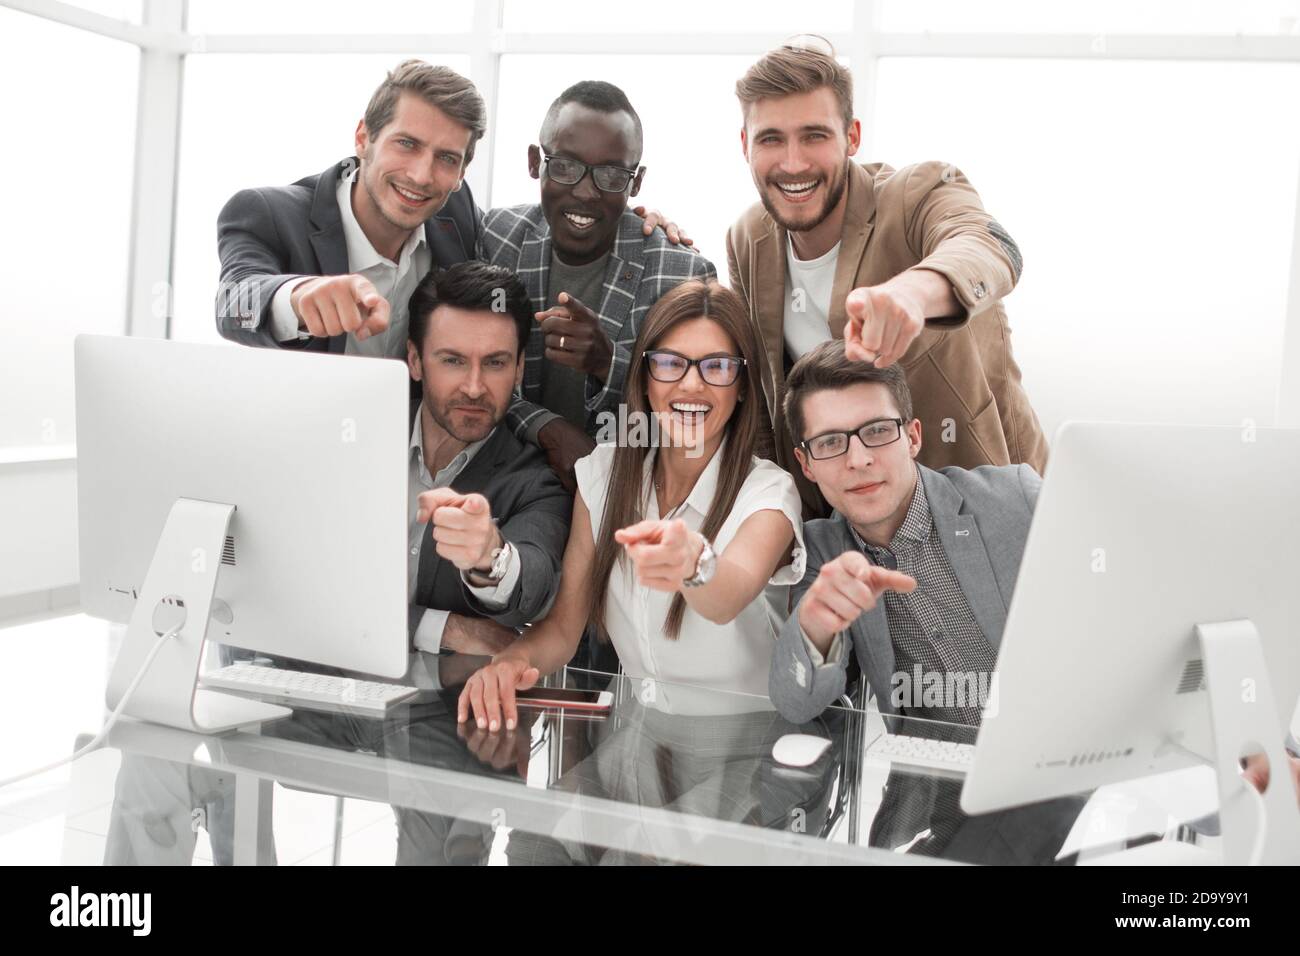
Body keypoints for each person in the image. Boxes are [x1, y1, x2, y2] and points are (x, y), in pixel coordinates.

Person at [215, 60, 684, 487]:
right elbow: (233, 301)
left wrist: (632, 217)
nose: (421, 175)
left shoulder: (458, 221)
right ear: (363, 137)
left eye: (446, 158)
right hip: (287, 467)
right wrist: (295, 297)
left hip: (410, 478)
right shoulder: (269, 214)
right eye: (407, 144)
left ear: (462, 172)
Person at [457, 279, 804, 731]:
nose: (691, 385)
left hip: (750, 746)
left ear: (741, 386)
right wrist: (510, 662)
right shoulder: (602, 474)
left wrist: (694, 563)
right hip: (642, 733)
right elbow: (564, 629)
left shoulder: (768, 492)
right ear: (644, 376)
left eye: (717, 367)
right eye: (670, 364)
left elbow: (726, 599)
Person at [726, 40, 1047, 516]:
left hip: (982, 507)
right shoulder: (748, 236)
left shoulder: (916, 193)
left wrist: (912, 294)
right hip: (846, 530)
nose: (793, 163)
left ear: (851, 137)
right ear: (745, 145)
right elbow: (764, 405)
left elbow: (989, 246)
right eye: (771, 139)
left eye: (814, 135)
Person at [479, 80, 717, 445]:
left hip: (625, 487)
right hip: (503, 483)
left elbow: (692, 419)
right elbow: (467, 374)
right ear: (533, 162)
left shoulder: (682, 275)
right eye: (565, 165)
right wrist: (545, 428)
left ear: (635, 182)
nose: (586, 191)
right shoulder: (497, 237)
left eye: (610, 175)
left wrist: (609, 364)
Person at [404, 260, 572, 660]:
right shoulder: (357, 437)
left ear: (518, 370)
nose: (475, 387)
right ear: (414, 360)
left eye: (495, 363)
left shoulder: (535, 481)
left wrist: (490, 556)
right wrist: (442, 627)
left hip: (445, 713)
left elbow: (533, 584)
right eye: (453, 360)